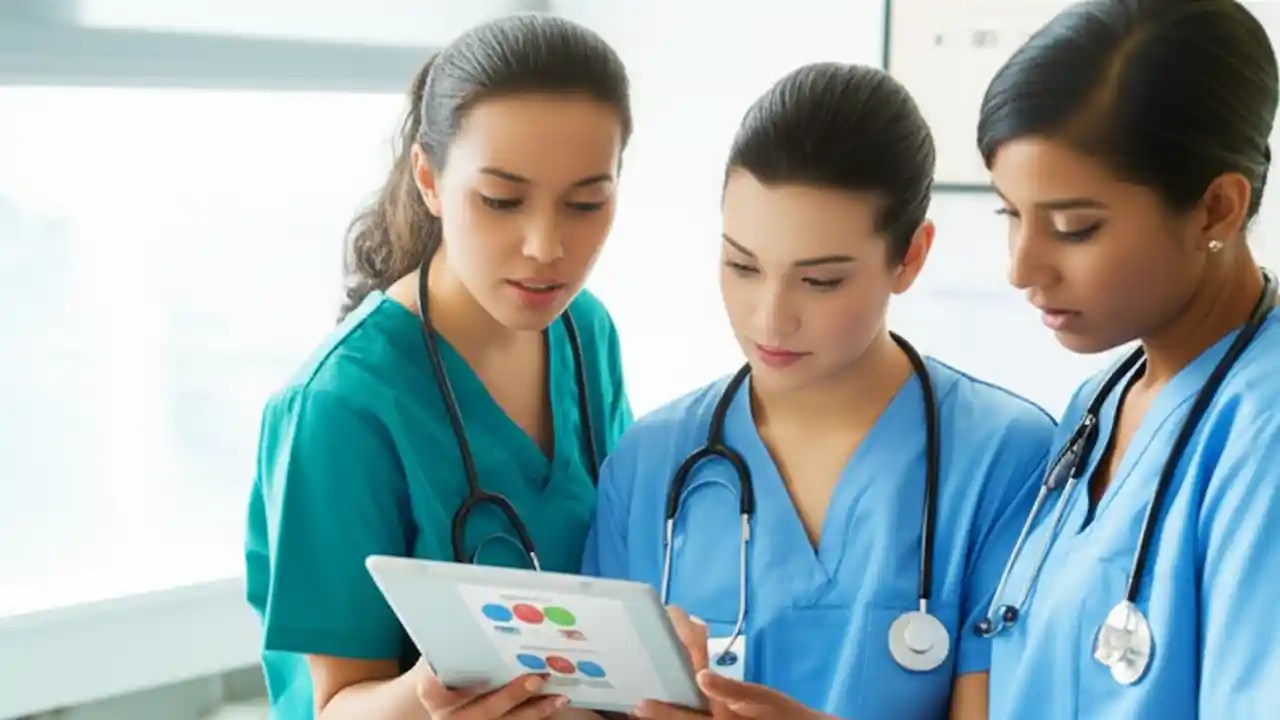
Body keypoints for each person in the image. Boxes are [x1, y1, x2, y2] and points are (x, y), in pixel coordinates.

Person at [582, 62, 1057, 720]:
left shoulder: (1007, 461)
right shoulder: (650, 463)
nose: (769, 318)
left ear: (910, 257)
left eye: (821, 281)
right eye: (742, 266)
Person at [243, 14, 635, 720]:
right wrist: (425, 701)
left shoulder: (585, 333)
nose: (546, 246)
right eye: (501, 200)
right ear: (429, 179)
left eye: (586, 203)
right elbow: (333, 706)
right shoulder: (340, 404)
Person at [973, 1, 1280, 718]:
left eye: (1074, 228)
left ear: (1215, 210)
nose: (1022, 268)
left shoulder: (1264, 437)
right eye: (1009, 214)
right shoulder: (1097, 406)